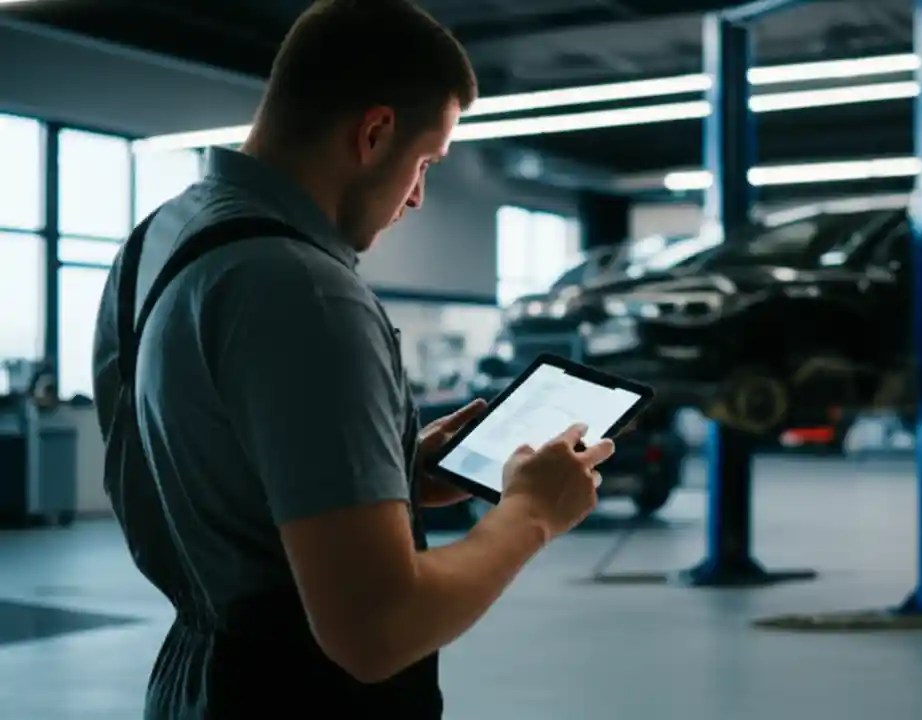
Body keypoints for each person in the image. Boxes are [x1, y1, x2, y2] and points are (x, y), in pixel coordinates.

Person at [90, 1, 613, 717]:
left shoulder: (157, 241)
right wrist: (529, 511)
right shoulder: (307, 291)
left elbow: (205, 473)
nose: (419, 196)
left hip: (195, 681)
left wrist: (389, 472)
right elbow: (376, 632)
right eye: (425, 162)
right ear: (374, 134)